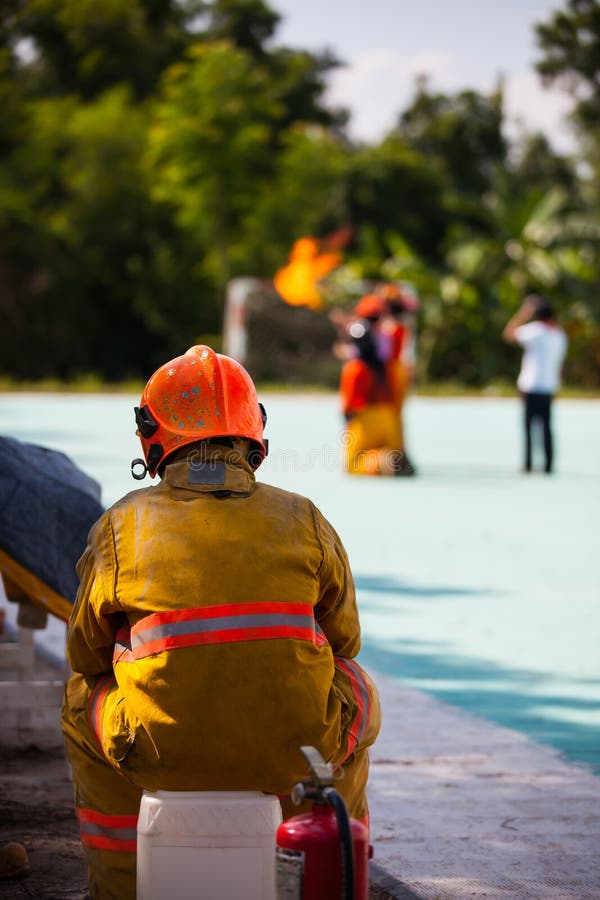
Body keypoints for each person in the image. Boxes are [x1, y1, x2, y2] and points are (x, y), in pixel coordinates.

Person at [61, 345, 381, 900]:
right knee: (354, 689)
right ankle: (330, 873)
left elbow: (84, 657)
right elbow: (346, 638)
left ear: (152, 435)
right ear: (253, 434)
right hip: (291, 755)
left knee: (77, 699)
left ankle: (121, 885)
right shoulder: (303, 516)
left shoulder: (121, 525)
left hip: (158, 754)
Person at [338, 295, 413, 476]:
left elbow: (350, 403)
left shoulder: (355, 369)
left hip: (366, 418)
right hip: (387, 414)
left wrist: (347, 419)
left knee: (353, 464)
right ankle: (394, 454)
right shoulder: (386, 368)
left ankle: (381, 461)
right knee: (387, 442)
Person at [502, 294, 568, 473]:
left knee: (529, 428)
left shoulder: (535, 331)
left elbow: (509, 334)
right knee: (547, 427)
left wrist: (523, 314)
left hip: (531, 386)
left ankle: (528, 464)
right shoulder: (559, 334)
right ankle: (548, 465)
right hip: (549, 386)